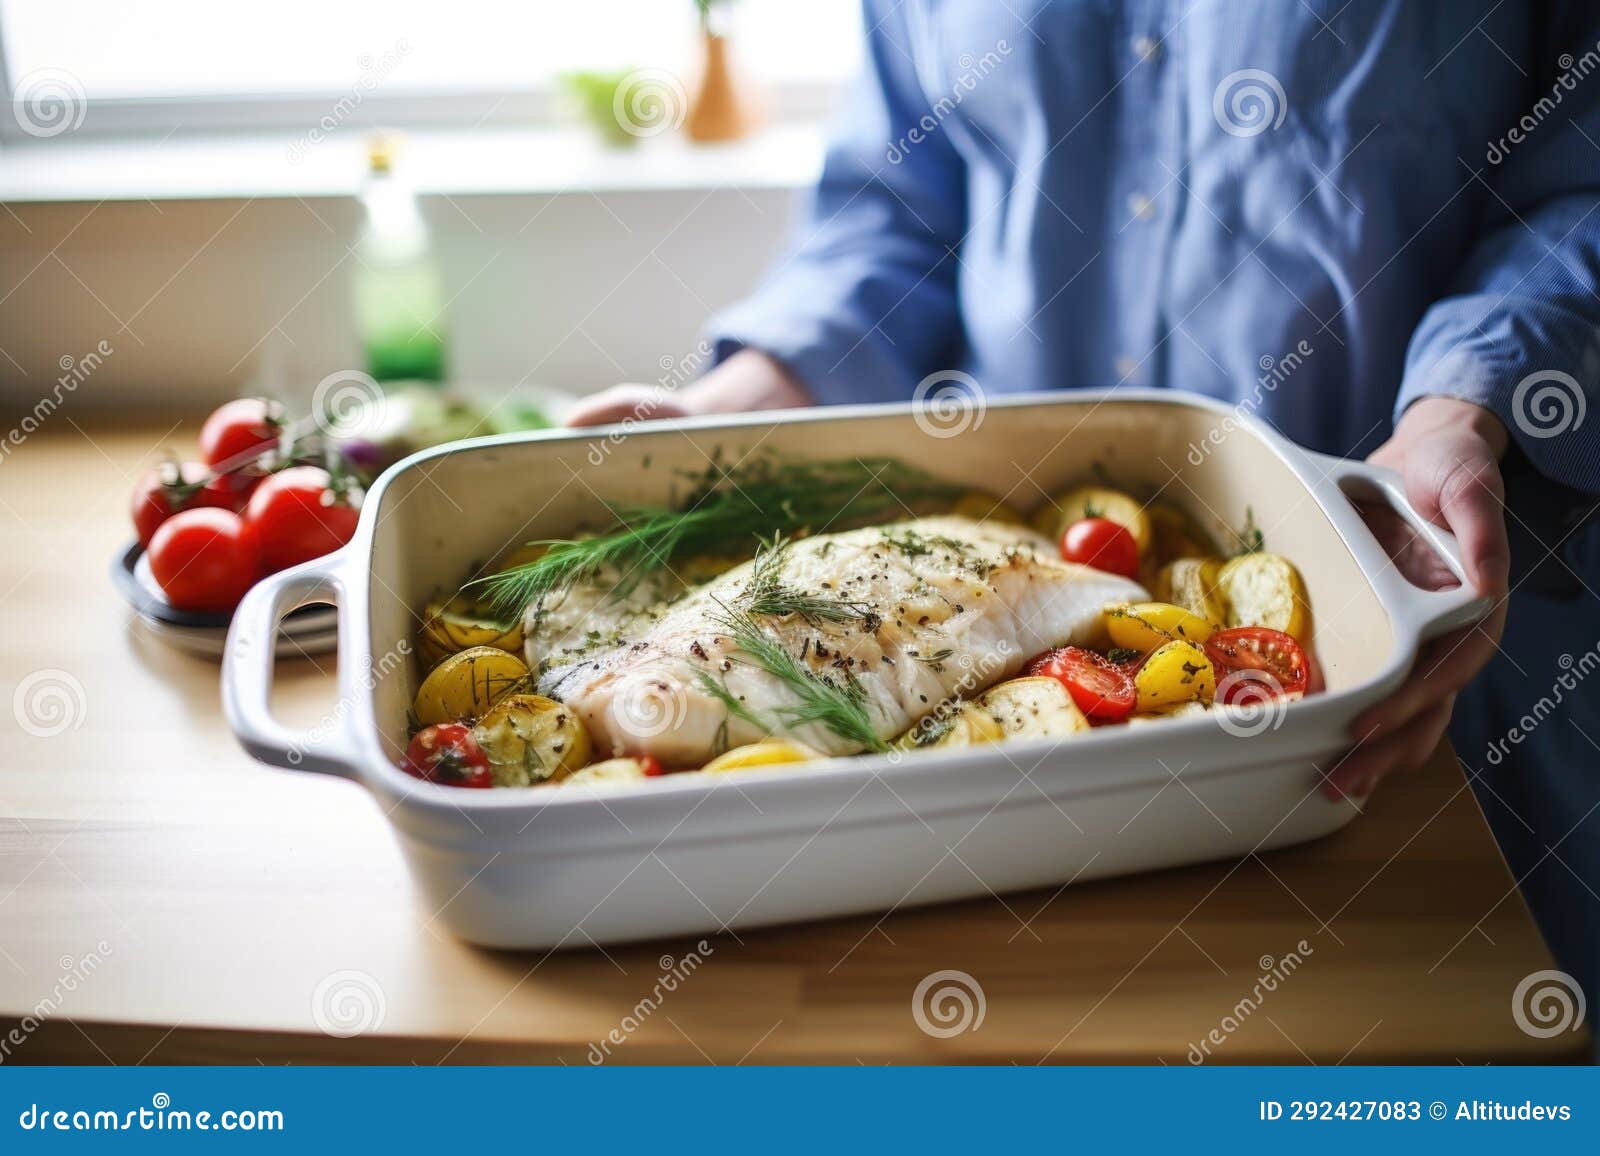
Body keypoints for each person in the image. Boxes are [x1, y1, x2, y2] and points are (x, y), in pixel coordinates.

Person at [571, 2, 1600, 1008]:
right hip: (955, 796)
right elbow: (897, 209)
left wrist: (1462, 405)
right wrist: (720, 414)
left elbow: (1579, 180)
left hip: (1399, 659)